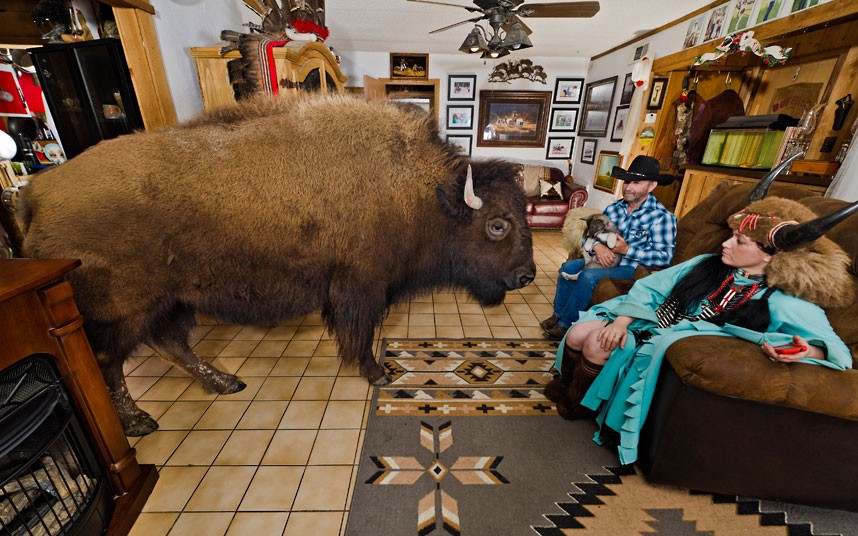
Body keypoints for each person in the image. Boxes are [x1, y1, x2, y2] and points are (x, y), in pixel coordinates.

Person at [544, 163, 857, 465]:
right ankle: (568, 385)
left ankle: (579, 405)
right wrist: (624, 319)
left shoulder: (785, 302)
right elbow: (651, 287)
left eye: (739, 240)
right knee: (577, 332)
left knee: (596, 343)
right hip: (650, 317)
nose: (726, 242)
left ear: (769, 253)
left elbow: (840, 353)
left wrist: (808, 350)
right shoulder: (706, 263)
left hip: (672, 338)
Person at [541, 155, 677, 340]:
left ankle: (566, 324)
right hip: (602, 261)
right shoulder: (613, 209)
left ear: (651, 186)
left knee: (589, 276)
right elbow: (588, 237)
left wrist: (627, 250)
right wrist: (597, 246)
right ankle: (557, 315)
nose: (628, 187)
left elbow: (664, 257)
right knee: (567, 268)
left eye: (636, 183)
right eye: (626, 182)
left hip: (632, 268)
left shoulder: (662, 217)